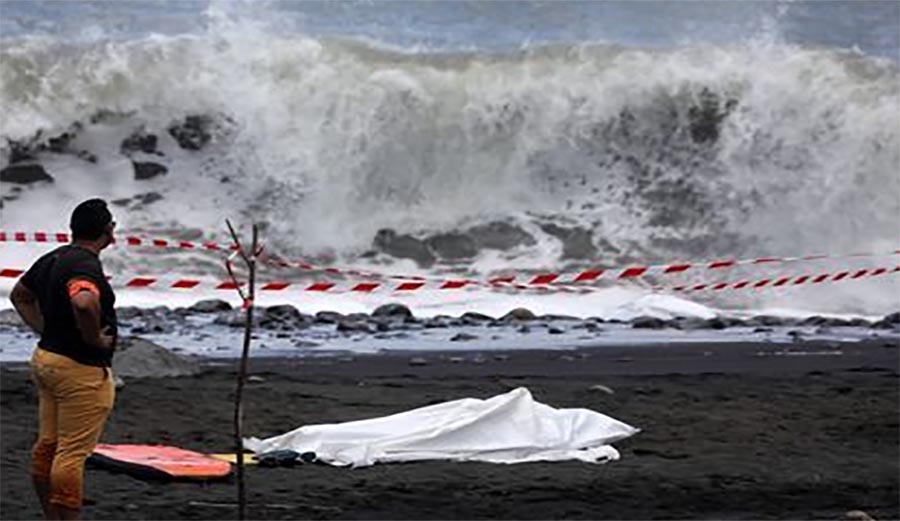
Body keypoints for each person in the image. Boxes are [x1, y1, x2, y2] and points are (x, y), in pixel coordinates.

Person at [10, 198, 118, 520]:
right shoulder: (85, 265)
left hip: (47, 358)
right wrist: (92, 338)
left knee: (48, 446)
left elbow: (19, 295)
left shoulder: (52, 257)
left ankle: (50, 516)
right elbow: (84, 301)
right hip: (80, 369)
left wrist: (45, 328)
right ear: (107, 231)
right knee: (71, 454)